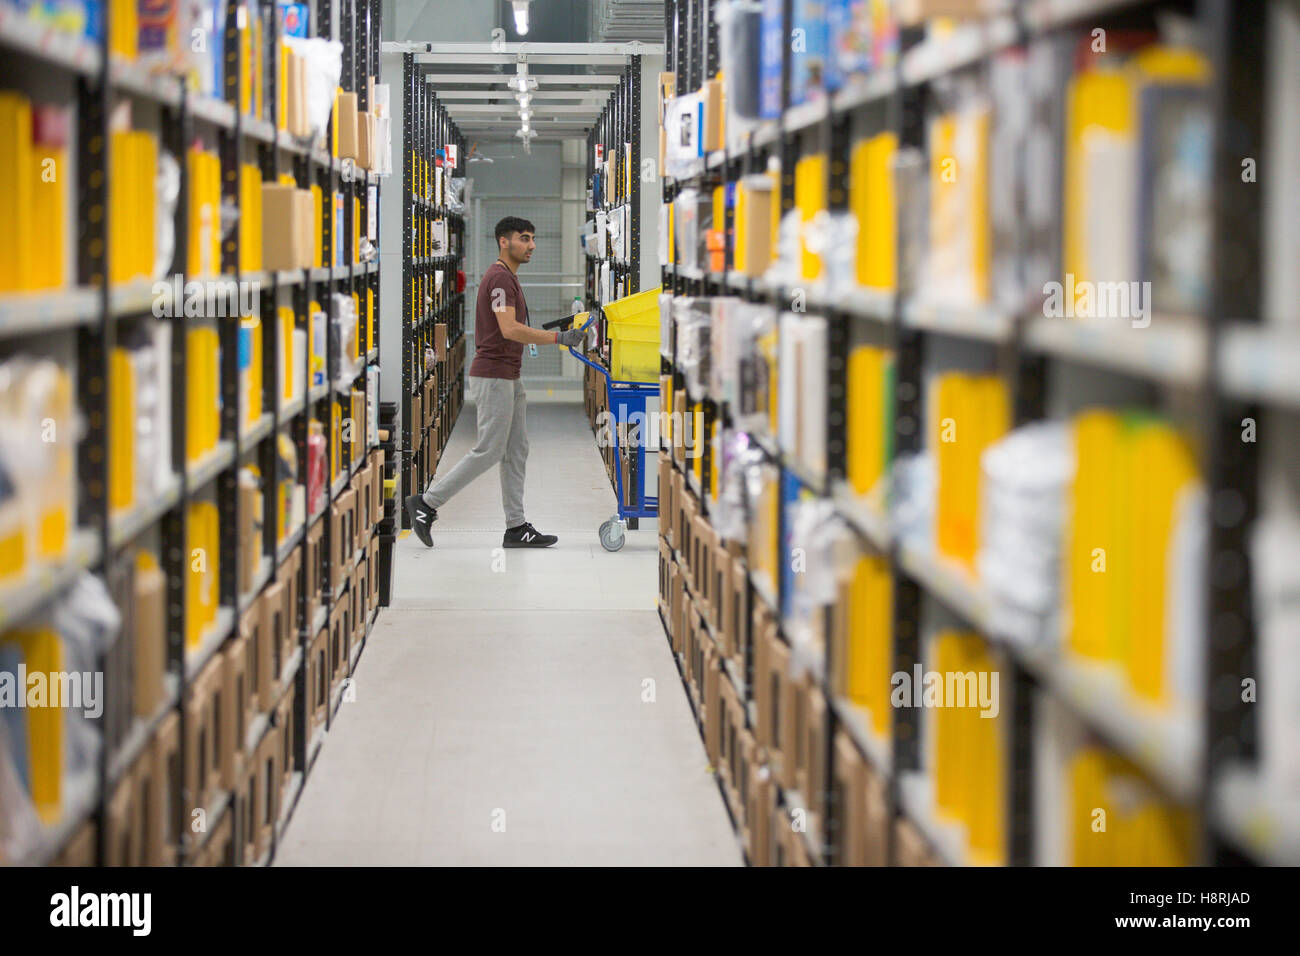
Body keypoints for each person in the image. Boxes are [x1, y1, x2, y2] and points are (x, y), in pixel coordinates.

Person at [404, 216, 584, 549]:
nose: (531, 245)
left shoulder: (507, 278)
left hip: (508, 376)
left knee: (517, 450)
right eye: (525, 238)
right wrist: (559, 337)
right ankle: (426, 504)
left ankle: (516, 527)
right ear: (504, 241)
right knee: (489, 450)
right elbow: (509, 329)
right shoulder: (500, 278)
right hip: (494, 376)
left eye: (533, 239)